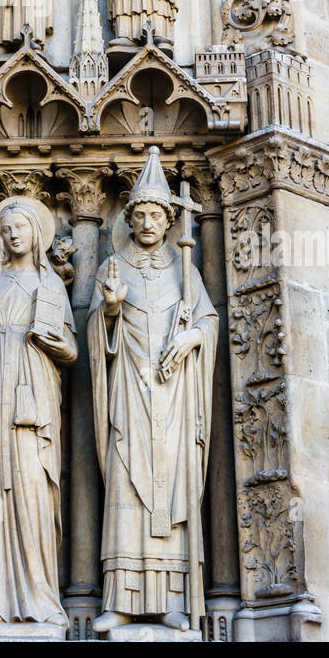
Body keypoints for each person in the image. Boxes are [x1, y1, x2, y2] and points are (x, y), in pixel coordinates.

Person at [88, 147, 217, 632]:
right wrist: (111, 311)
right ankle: (120, 600)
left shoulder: (186, 271)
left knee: (173, 487)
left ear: (168, 221)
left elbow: (207, 320)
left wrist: (190, 337)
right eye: (138, 214)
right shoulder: (111, 269)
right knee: (126, 484)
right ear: (128, 219)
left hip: (174, 394)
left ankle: (173, 600)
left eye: (155, 215)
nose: (146, 222)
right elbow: (96, 336)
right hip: (130, 395)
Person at [0, 199, 76, 629]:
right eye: (4, 230)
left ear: (36, 233)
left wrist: (49, 343)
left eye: (20, 227)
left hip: (34, 386)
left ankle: (39, 595)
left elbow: (71, 350)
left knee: (29, 484)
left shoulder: (50, 285)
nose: (13, 235)